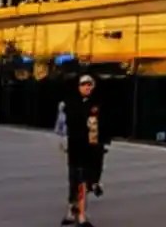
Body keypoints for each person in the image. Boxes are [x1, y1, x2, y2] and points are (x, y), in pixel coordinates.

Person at [63, 75, 109, 227]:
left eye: (90, 85)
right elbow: (64, 126)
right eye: (84, 84)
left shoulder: (97, 104)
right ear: (78, 86)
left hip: (91, 149)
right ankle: (72, 209)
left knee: (83, 182)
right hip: (75, 147)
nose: (87, 87)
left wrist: (104, 142)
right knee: (74, 181)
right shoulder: (70, 104)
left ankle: (81, 215)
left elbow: (104, 125)